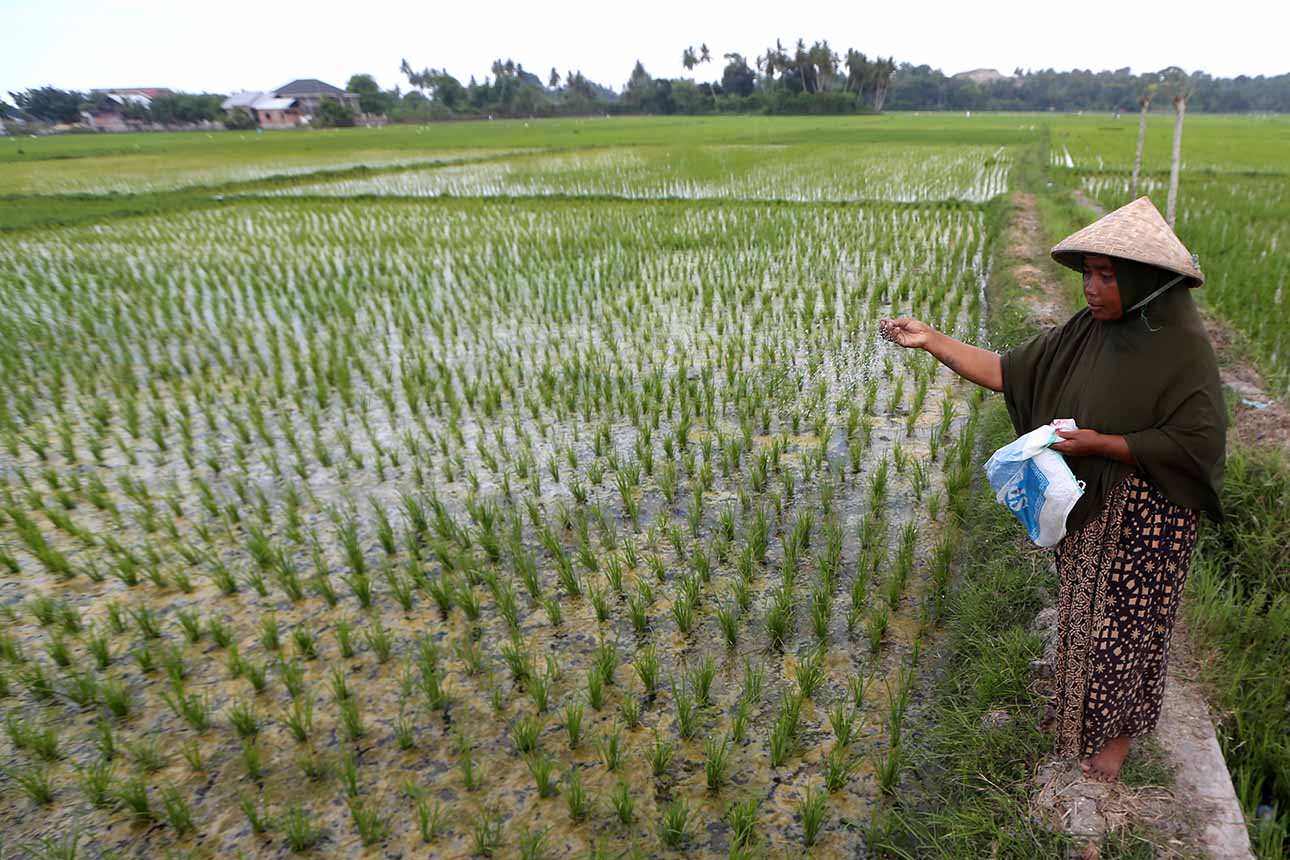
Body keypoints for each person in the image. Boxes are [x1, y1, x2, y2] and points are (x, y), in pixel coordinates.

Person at [879, 196, 1226, 782]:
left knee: (1129, 632)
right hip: (1091, 507)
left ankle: (1111, 751)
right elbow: (1009, 372)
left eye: (1106, 276)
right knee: (1081, 619)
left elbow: (1197, 442)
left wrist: (1105, 445)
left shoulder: (1180, 345)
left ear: (1141, 278)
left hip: (1148, 516)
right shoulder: (1089, 331)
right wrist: (931, 339)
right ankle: (1072, 723)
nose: (1091, 287)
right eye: (1087, 272)